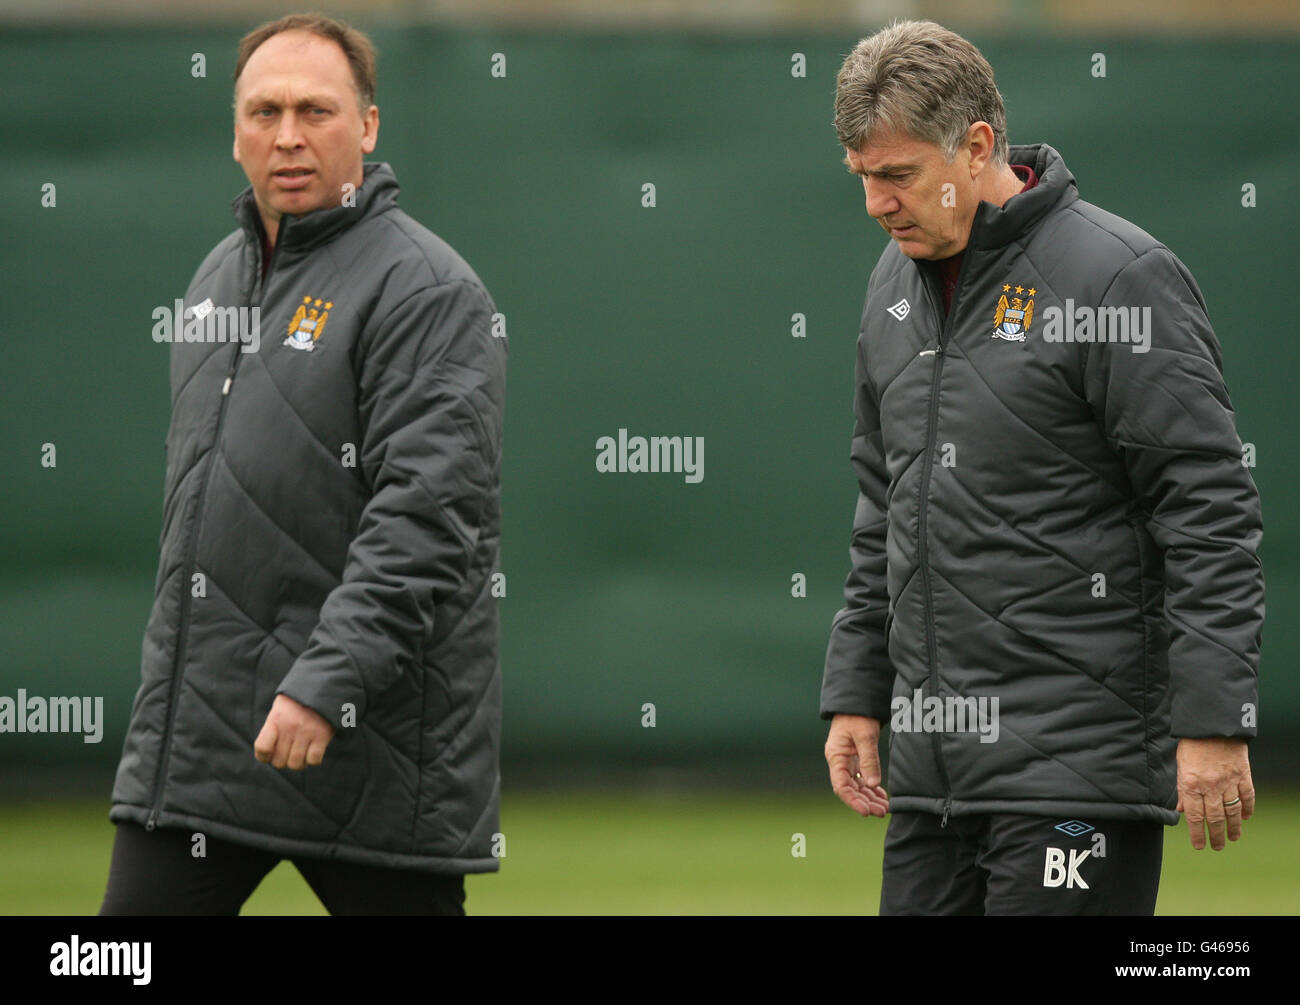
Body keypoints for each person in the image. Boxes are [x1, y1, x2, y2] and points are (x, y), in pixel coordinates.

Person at [819, 20, 1263, 915]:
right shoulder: (889, 287)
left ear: (977, 146)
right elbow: (886, 507)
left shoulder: (1118, 277)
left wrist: (1214, 721)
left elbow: (1207, 505)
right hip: (933, 781)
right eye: (862, 177)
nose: (876, 202)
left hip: (1077, 777)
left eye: (897, 174)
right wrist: (856, 692)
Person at [100, 13, 507, 915]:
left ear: (366, 126)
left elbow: (428, 518)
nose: (287, 135)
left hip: (369, 743)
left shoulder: (428, 290)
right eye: (265, 110)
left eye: (316, 111)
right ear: (235, 129)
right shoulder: (215, 279)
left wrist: (325, 688)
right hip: (204, 743)